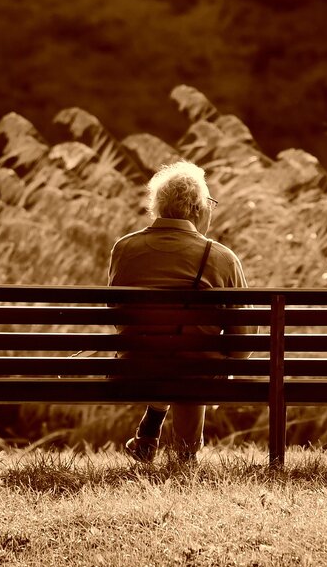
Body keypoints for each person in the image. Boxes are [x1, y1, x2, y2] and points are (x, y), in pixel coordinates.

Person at [108, 160, 254, 462]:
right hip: (198, 371)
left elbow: (117, 315)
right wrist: (224, 359)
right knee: (195, 356)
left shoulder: (125, 248)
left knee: (175, 354)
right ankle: (185, 455)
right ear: (198, 208)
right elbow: (243, 340)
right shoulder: (221, 258)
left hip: (136, 367)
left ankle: (149, 435)